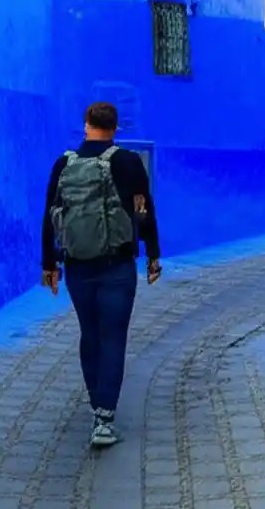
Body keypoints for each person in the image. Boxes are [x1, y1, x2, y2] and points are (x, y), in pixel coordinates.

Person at [40, 102, 161, 448]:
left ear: (86, 125)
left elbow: (50, 215)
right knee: (114, 337)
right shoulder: (128, 162)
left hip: (78, 266)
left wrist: (49, 264)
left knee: (89, 334)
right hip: (118, 267)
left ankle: (96, 399)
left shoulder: (64, 163)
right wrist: (153, 255)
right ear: (116, 128)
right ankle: (104, 416)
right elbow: (143, 210)